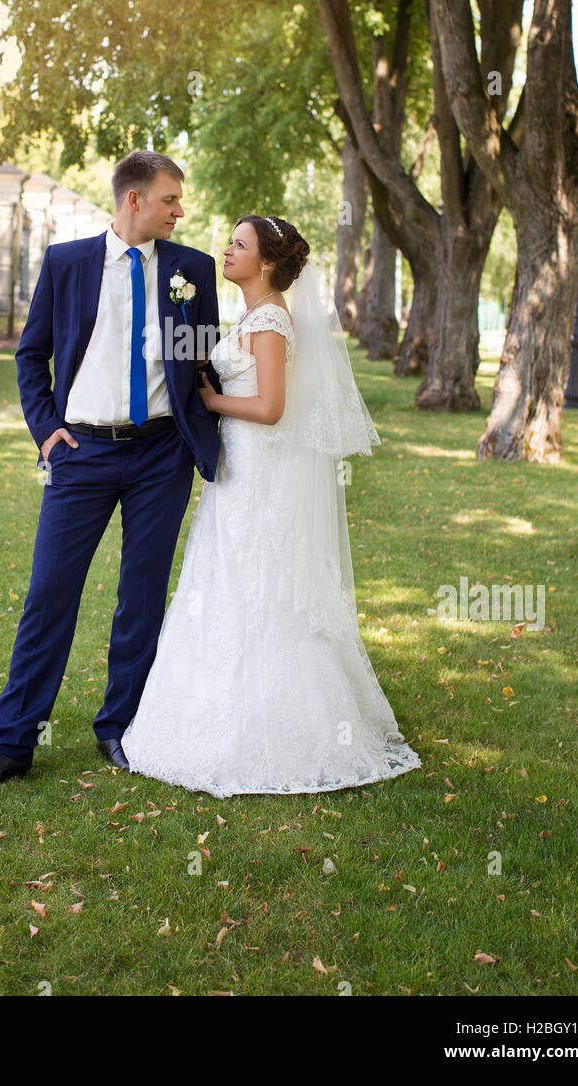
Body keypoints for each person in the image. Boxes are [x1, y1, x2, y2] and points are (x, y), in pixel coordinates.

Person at [121, 213, 421, 796]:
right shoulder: (255, 315)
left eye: (239, 244)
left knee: (257, 582)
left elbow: (271, 408)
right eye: (229, 242)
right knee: (233, 578)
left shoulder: (269, 319)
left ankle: (279, 728)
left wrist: (210, 399)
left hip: (260, 467)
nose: (226, 251)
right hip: (243, 468)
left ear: (265, 263)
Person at [0, 150, 222, 788]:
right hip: (81, 454)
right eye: (169, 199)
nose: (179, 210)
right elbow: (32, 355)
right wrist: (48, 432)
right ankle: (14, 743)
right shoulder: (67, 263)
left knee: (142, 594)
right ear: (134, 199)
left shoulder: (192, 270)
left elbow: (204, 362)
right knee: (50, 593)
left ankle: (122, 728)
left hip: (162, 455)